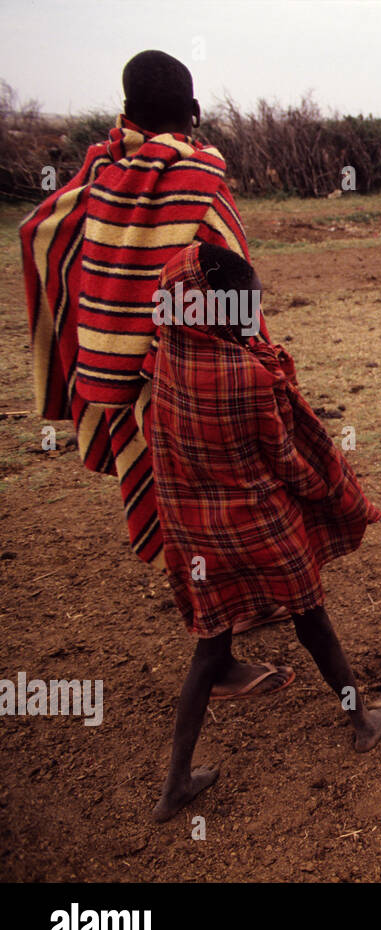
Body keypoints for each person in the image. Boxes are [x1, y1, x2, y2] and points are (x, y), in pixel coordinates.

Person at [19, 50, 292, 695]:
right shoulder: (199, 187)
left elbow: (41, 233)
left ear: (124, 111)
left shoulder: (97, 179)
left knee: (178, 510)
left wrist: (92, 342)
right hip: (186, 388)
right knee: (215, 505)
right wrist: (260, 374)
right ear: (194, 113)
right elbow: (237, 292)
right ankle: (218, 651)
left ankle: (235, 619)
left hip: (120, 391)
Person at [147, 243, 381, 821]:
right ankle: (362, 721)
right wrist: (340, 493)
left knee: (210, 649)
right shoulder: (249, 375)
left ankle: (174, 786)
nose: (250, 316)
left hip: (198, 533)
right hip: (259, 527)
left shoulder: (169, 355)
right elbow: (288, 462)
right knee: (313, 621)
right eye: (244, 305)